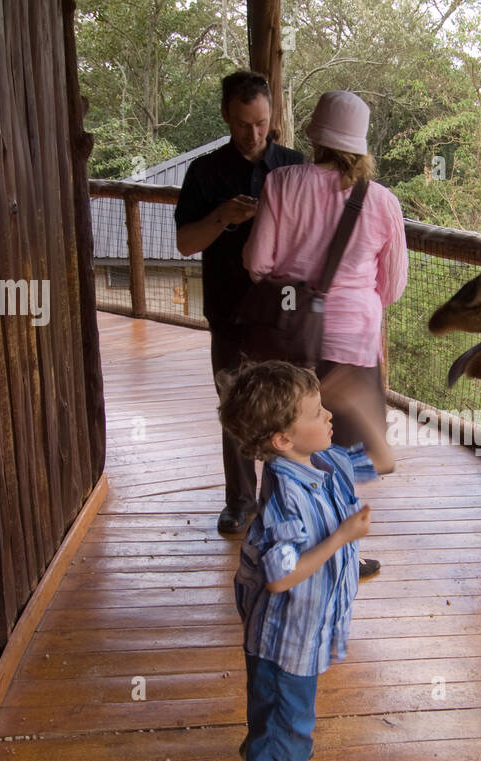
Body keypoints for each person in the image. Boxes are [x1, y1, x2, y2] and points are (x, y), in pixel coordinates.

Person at [217, 360, 373, 761]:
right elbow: (281, 577)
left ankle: (267, 742)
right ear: (283, 440)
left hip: (304, 628)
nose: (329, 416)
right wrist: (342, 536)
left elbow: (366, 463)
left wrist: (367, 416)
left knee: (280, 710)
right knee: (293, 720)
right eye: (316, 411)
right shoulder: (285, 495)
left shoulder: (316, 461)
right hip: (287, 640)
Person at [243, 90, 407, 483]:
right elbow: (392, 288)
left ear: (315, 137)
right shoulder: (382, 201)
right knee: (346, 457)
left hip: (290, 336)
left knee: (286, 446)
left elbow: (257, 265)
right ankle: (338, 512)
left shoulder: (281, 182)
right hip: (352, 348)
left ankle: (288, 512)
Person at [175, 70, 304, 537]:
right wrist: (223, 216)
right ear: (226, 116)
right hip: (228, 309)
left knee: (289, 406)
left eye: (262, 123)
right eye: (244, 124)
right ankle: (241, 503)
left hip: (283, 311)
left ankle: (287, 501)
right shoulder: (205, 172)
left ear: (273, 115)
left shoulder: (295, 166)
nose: (254, 134)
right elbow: (186, 243)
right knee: (234, 404)